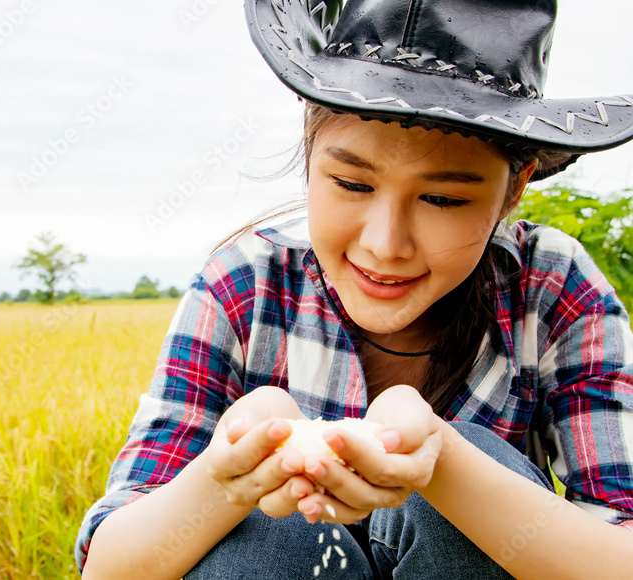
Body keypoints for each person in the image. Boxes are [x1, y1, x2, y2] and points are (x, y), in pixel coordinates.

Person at [77, 0, 633, 577]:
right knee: (265, 533)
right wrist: (226, 478)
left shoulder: (553, 289)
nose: (386, 244)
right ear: (311, 152)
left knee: (474, 464)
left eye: (443, 199)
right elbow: (110, 566)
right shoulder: (244, 283)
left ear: (514, 188)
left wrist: (440, 462)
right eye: (350, 182)